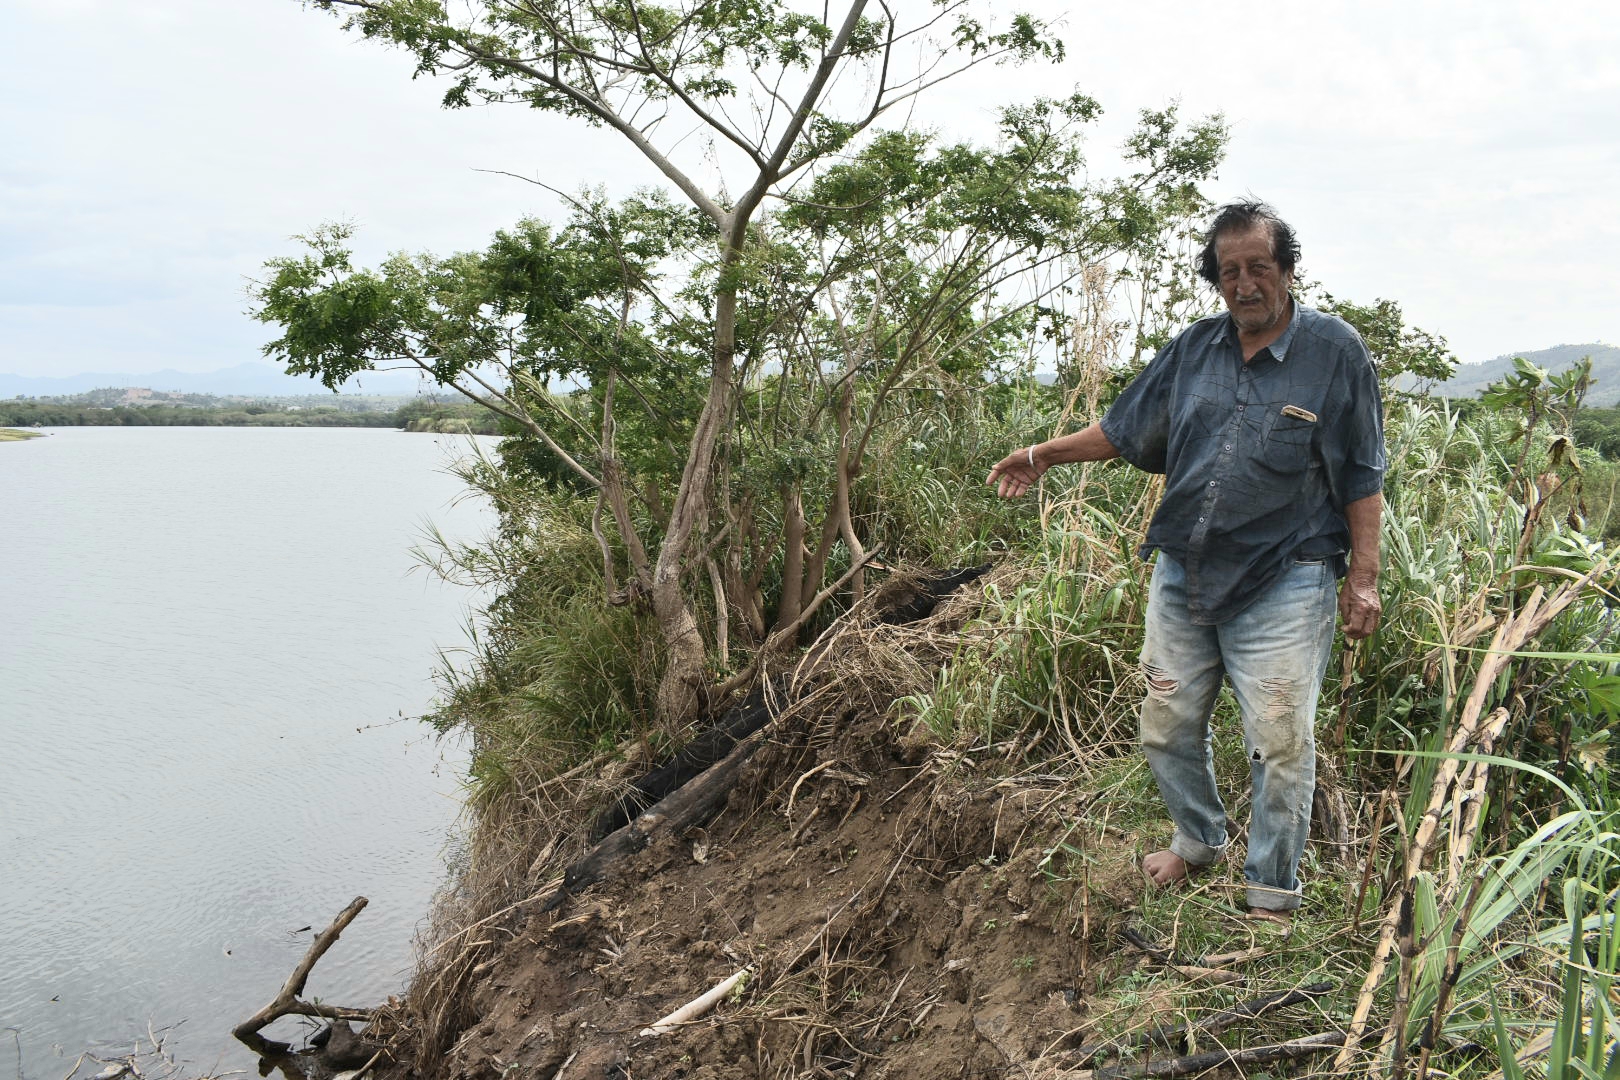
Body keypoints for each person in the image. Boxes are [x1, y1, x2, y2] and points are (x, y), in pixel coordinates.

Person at [986, 199, 1385, 922]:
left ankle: (1270, 887)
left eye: (1258, 268)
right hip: (1185, 570)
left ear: (1288, 271)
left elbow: (1362, 472)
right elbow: (1123, 428)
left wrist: (1364, 578)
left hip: (1286, 575)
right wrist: (1042, 455)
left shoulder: (1335, 352)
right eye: (1228, 271)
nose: (1244, 284)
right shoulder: (1194, 349)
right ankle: (1198, 840)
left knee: (1279, 737)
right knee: (1166, 722)